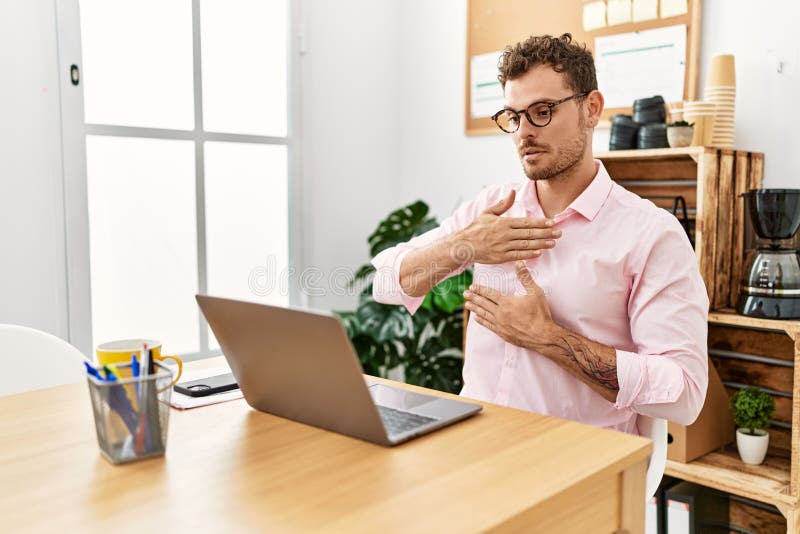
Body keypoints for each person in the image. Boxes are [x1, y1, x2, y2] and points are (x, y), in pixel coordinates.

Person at [371, 34, 708, 434]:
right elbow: (388, 281)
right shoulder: (492, 208)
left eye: (542, 111)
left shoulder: (651, 235)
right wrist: (466, 246)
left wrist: (548, 339)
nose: (524, 132)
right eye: (514, 117)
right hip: (474, 445)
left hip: (574, 463)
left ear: (591, 108)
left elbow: (684, 394)